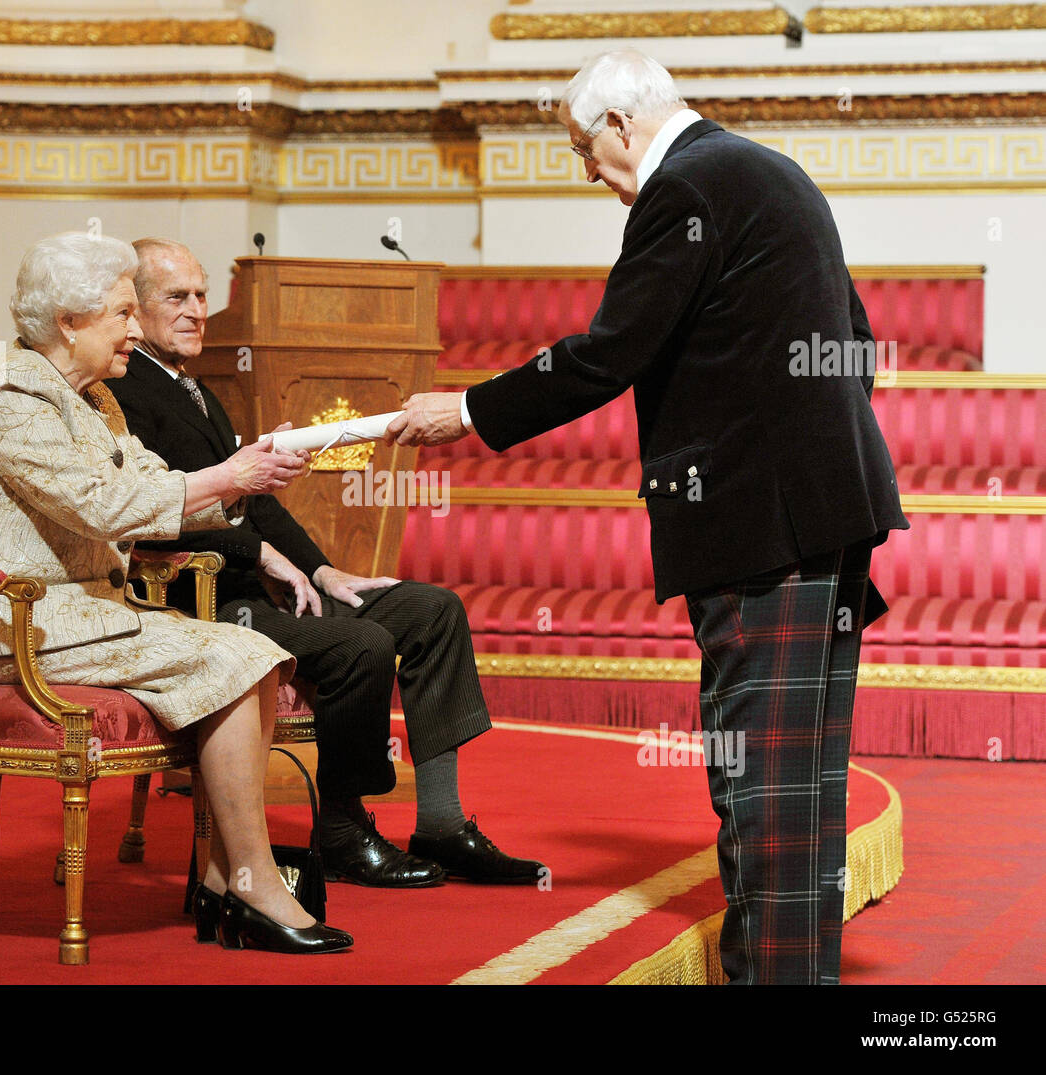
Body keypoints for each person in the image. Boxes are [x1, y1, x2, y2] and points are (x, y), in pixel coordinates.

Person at [388, 50, 908, 984]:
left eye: (585, 149)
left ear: (623, 127)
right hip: (824, 518)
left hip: (760, 532)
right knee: (805, 787)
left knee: (764, 793)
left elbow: (608, 352)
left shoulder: (686, 186)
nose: (589, 172)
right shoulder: (770, 171)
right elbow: (854, 346)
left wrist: (465, 411)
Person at [0, 231, 352, 954]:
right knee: (229, 660)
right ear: (68, 321)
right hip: (9, 622)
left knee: (254, 650)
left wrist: (256, 473)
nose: (136, 328)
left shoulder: (94, 401)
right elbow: (103, 503)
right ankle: (252, 879)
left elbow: (155, 485)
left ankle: (224, 876)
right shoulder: (12, 399)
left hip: (81, 614)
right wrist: (230, 475)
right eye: (123, 313)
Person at [108, 238, 546, 888]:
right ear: (136, 310)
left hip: (271, 586)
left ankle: (443, 825)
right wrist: (259, 554)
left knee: (433, 611)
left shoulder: (196, 390)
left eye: (203, 295)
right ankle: (342, 829)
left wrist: (320, 570)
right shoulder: (123, 396)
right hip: (204, 600)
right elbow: (153, 513)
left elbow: (259, 503)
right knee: (361, 643)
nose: (199, 310)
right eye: (179, 297)